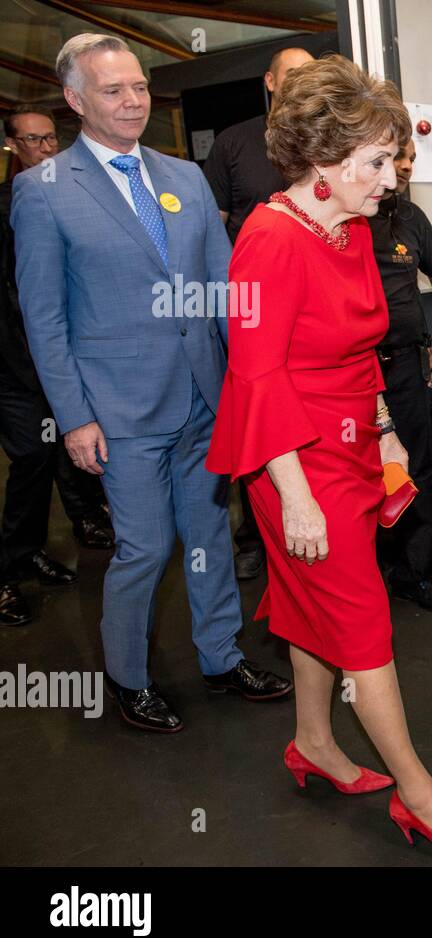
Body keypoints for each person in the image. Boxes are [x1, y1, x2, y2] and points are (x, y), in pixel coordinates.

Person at [205, 55, 432, 854]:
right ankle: (420, 796)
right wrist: (296, 497)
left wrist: (387, 428)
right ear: (324, 162)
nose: (390, 177)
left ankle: (315, 743)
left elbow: (361, 346)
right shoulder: (268, 243)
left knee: (311, 611)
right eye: (375, 161)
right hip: (292, 461)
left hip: (352, 446)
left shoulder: (349, 227)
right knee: (365, 625)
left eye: (390, 159)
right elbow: (257, 378)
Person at [11, 34, 290, 730]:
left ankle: (221, 657)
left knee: (209, 534)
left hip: (203, 395)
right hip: (118, 411)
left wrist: (257, 377)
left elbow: (225, 288)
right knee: (144, 548)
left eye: (139, 87)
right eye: (114, 90)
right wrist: (74, 418)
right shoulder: (41, 193)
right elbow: (43, 319)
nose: (133, 100)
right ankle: (129, 677)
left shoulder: (184, 177)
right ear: (76, 100)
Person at [1, 104, 115, 628]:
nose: (43, 149)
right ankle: (7, 574)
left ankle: (27, 552)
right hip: (11, 362)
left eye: (49, 140)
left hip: (46, 358)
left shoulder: (67, 197)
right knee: (29, 456)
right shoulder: (10, 201)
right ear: (12, 146)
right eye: (30, 141)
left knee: (43, 457)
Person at [204, 46, 314, 581]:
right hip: (251, 307)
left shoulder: (320, 143)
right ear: (270, 81)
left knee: (303, 411)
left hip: (309, 308)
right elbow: (214, 227)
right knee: (257, 408)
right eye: (293, 76)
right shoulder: (233, 143)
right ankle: (255, 533)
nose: (301, 84)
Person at [368, 137, 432, 612]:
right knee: (366, 474)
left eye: (408, 159)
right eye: (392, 158)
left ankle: (417, 575)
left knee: (415, 470)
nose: (402, 167)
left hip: (407, 367)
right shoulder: (350, 216)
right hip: (356, 372)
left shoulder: (412, 218)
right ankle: (367, 578)